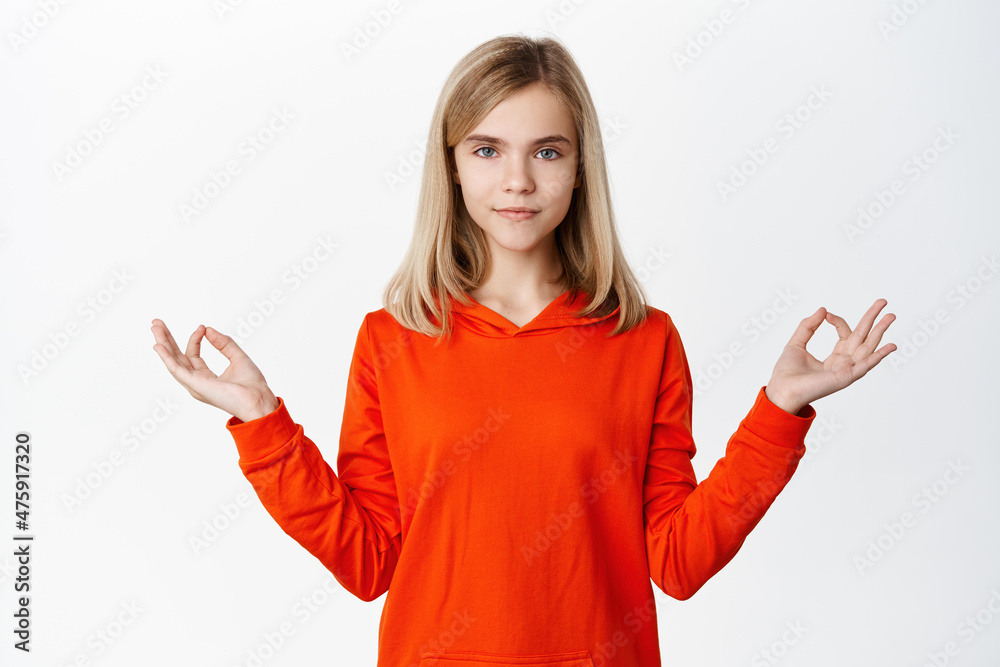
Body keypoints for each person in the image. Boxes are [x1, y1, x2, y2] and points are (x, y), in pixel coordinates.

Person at [151, 33, 896, 667]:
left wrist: (780, 411)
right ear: (451, 164)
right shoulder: (392, 340)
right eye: (487, 149)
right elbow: (368, 559)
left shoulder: (643, 340)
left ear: (580, 167)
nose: (517, 180)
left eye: (547, 151)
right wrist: (260, 419)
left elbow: (677, 560)